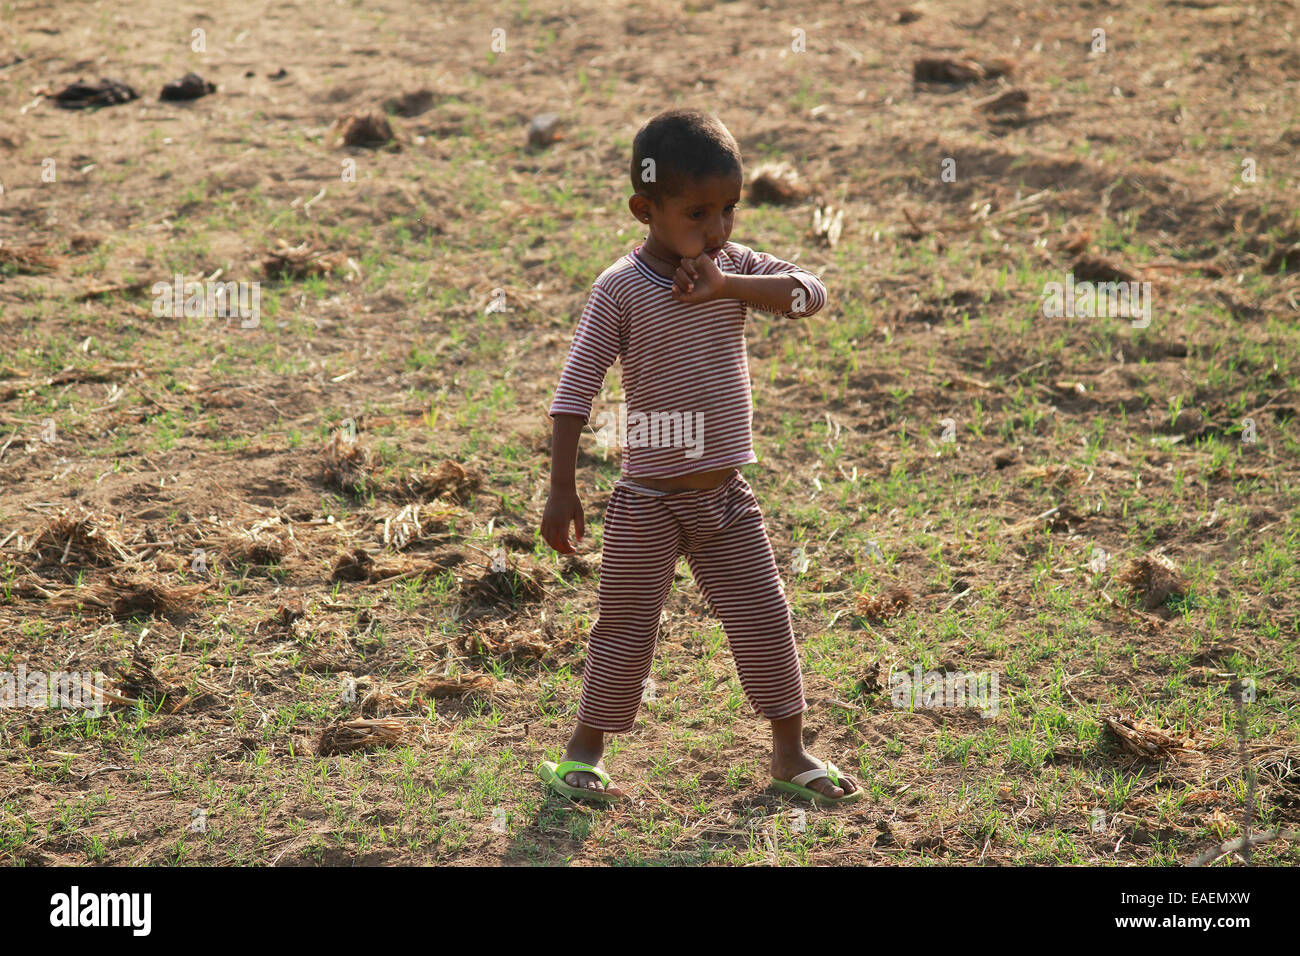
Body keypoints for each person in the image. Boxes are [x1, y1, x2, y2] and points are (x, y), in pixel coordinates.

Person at [537, 109, 860, 805]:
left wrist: (731, 286)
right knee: (625, 629)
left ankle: (789, 752)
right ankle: (583, 754)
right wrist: (562, 489)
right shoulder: (620, 288)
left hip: (725, 499)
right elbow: (574, 394)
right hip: (647, 501)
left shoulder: (736, 269)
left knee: (765, 619)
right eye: (696, 214)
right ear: (645, 209)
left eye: (729, 211)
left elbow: (812, 295)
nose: (716, 231)